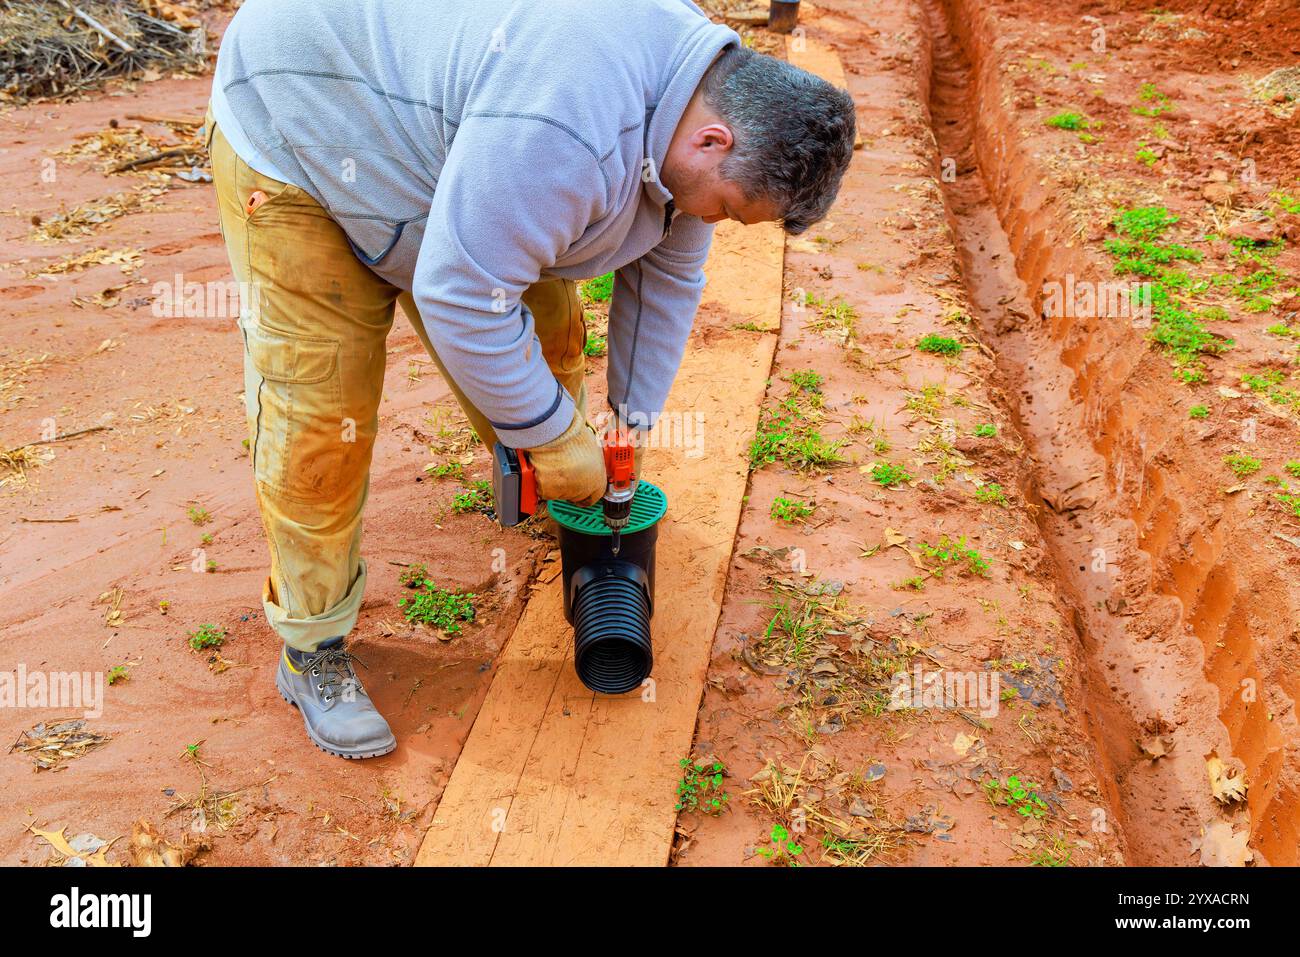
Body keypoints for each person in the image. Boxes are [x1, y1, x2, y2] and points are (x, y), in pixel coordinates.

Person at [207, 0, 855, 758]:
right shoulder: (568, 122)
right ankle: (312, 647)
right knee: (322, 416)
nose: (716, 221)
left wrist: (627, 425)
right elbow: (461, 293)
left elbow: (668, 278)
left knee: (547, 341)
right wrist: (552, 435)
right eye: (729, 208)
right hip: (309, 124)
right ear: (713, 140)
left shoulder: (694, 102)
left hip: (462, 143)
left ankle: (532, 481)